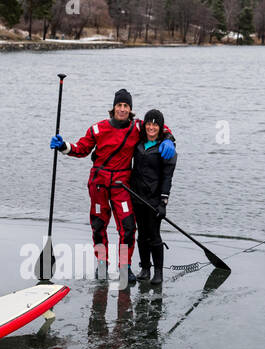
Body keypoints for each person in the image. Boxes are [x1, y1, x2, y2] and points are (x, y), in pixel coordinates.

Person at [51, 88, 174, 286]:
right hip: (98, 184)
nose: (123, 109)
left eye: (126, 106)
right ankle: (102, 265)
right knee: (99, 227)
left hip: (122, 186)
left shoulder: (137, 128)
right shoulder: (97, 129)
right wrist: (63, 146)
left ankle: (125, 267)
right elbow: (81, 149)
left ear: (130, 109)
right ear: (113, 108)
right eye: (119, 105)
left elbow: (158, 125)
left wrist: (169, 139)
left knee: (127, 228)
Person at [130, 109, 176, 285]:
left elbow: (167, 178)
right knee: (141, 235)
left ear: (160, 127)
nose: (151, 127)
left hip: (154, 199)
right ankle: (145, 268)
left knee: (154, 235)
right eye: (149, 123)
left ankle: (158, 272)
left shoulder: (166, 149)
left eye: (155, 124)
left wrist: (163, 202)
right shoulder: (139, 144)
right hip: (136, 196)